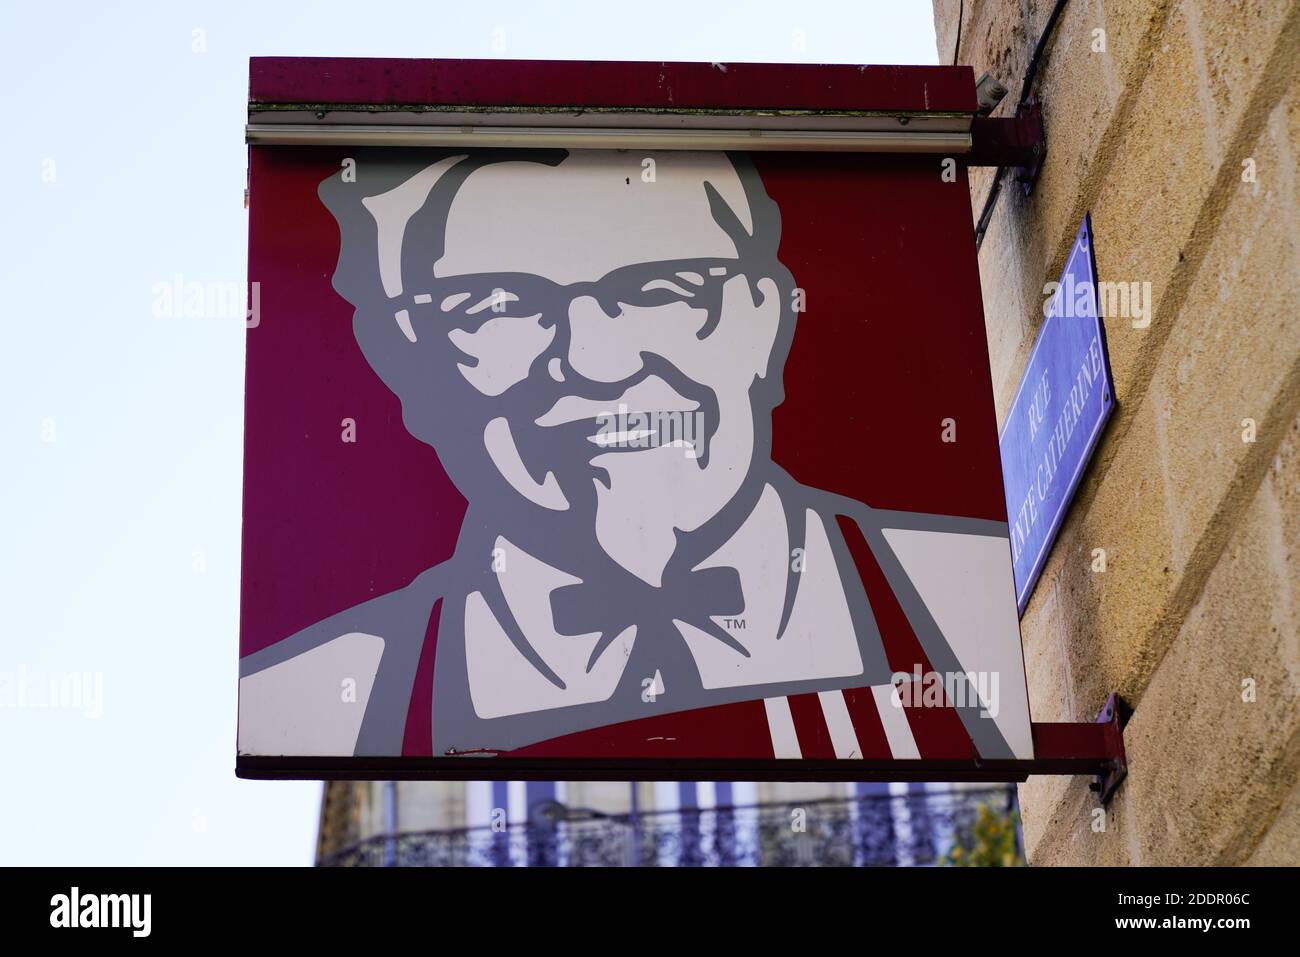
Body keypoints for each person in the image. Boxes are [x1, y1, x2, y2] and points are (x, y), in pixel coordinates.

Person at [237, 149, 1031, 762]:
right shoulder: (322, 698)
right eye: (498, 306)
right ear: (415, 369)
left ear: (762, 323)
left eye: (663, 288)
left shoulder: (970, 601)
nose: (595, 360)